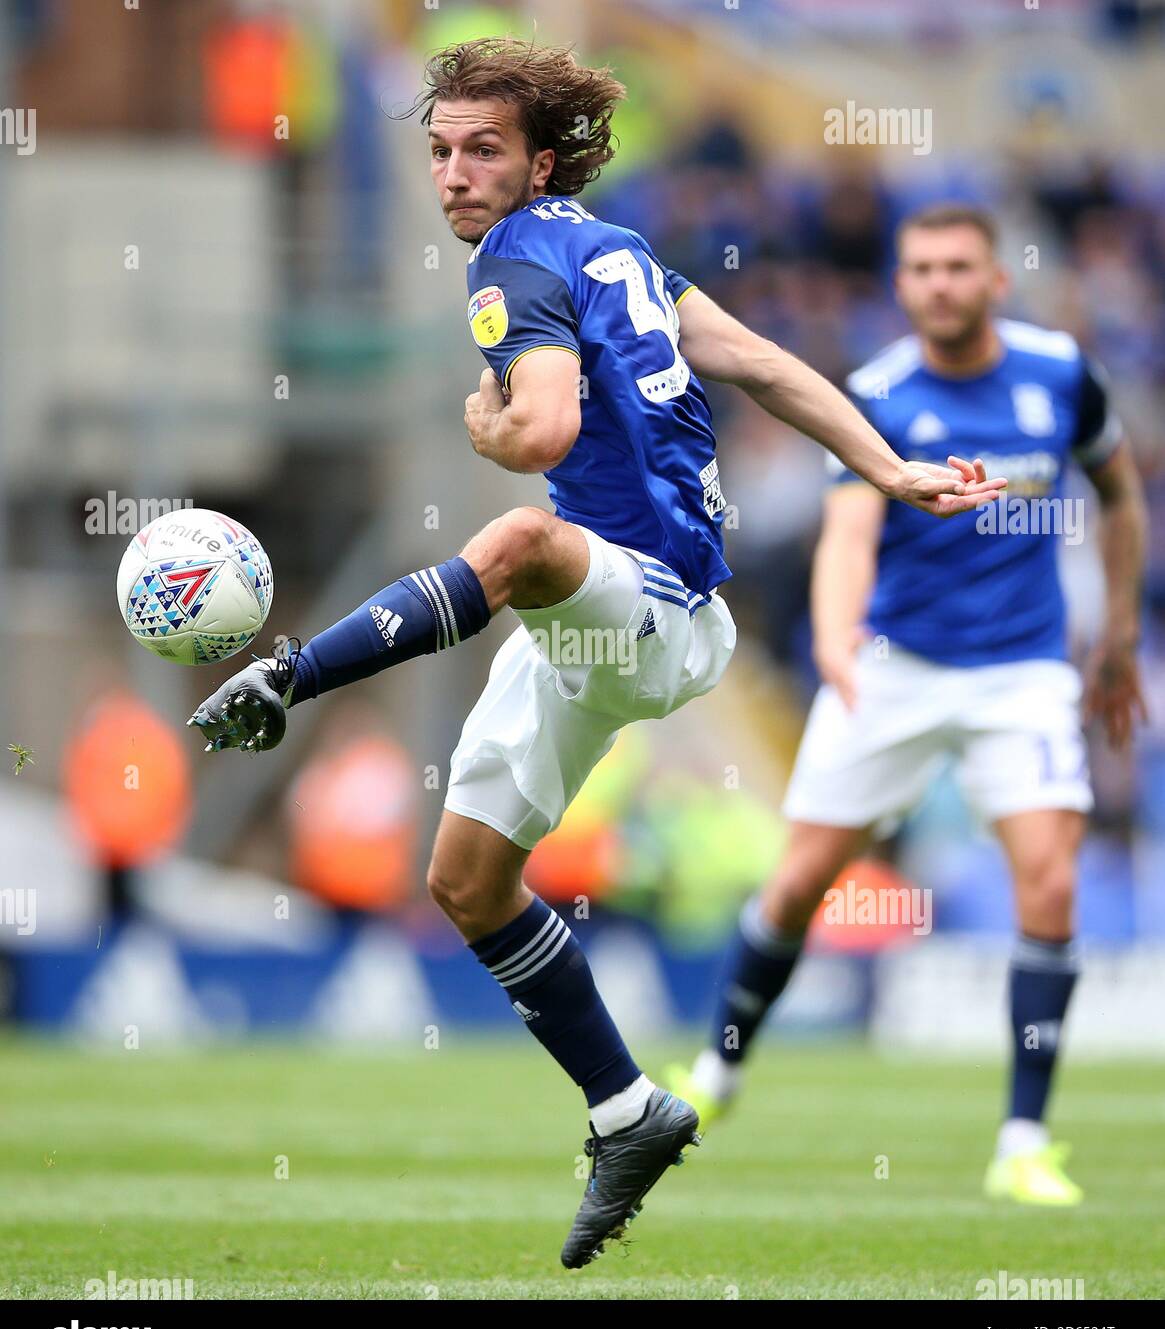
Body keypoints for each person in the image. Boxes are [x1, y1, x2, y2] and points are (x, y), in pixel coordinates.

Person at [188, 44, 1001, 1265]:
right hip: (611, 618)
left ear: (541, 160)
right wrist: (888, 468)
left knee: (519, 537)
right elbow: (768, 366)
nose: (456, 175)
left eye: (483, 151)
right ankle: (627, 1108)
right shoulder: (615, 249)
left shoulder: (513, 263)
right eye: (441, 151)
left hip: (650, 603)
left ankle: (288, 675)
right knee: (465, 880)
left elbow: (541, 434)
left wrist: (487, 420)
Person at [670, 203, 1146, 1207]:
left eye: (957, 266)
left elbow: (1120, 496)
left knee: (1049, 885)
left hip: (1020, 669)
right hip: (893, 664)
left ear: (994, 280)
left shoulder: (1060, 376)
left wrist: (1113, 644)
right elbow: (847, 532)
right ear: (900, 284)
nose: (938, 283)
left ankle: (1023, 1139)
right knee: (799, 882)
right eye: (920, 268)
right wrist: (838, 636)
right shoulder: (877, 393)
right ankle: (717, 1073)